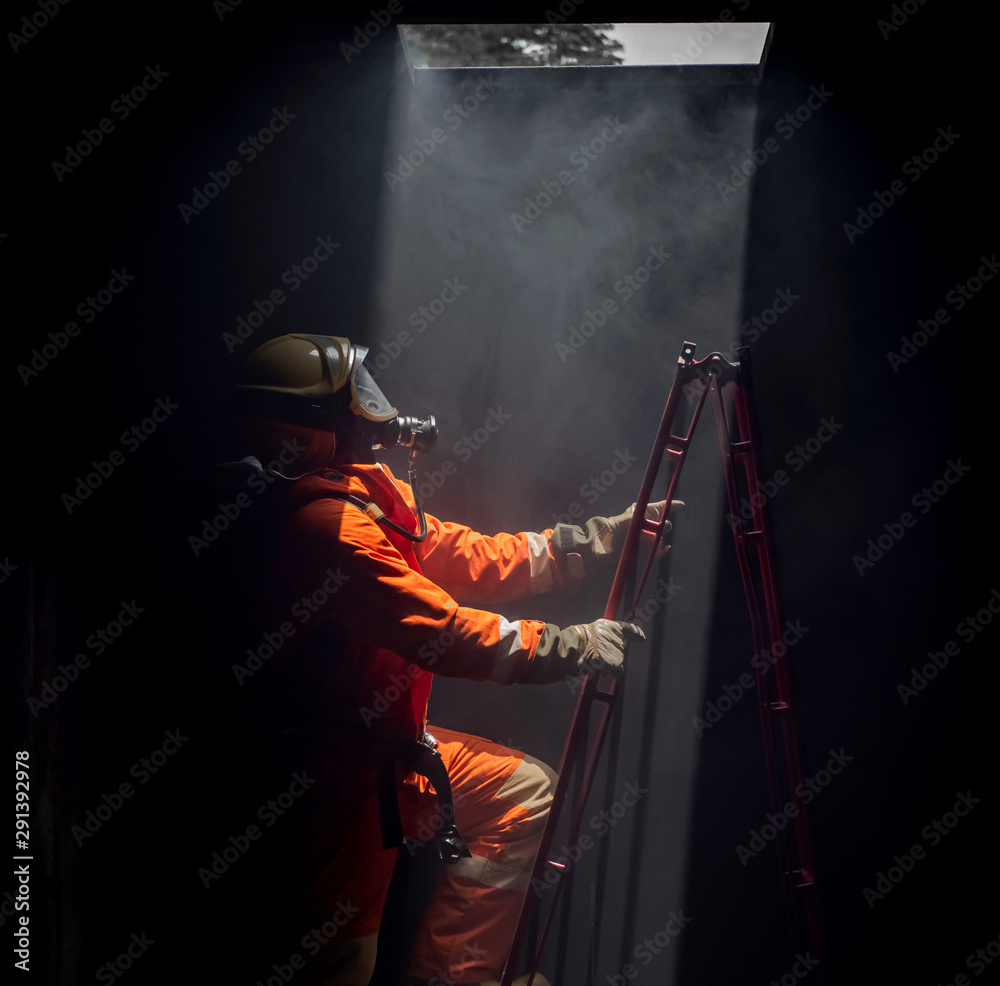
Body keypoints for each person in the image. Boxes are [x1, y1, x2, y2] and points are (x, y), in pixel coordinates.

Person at [228, 333, 678, 986]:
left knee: (522, 798)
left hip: (386, 747)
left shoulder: (352, 498)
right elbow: (445, 630)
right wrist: (569, 645)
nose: (371, 414)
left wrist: (591, 542)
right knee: (340, 961)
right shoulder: (325, 530)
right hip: (337, 785)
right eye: (353, 402)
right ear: (314, 428)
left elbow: (459, 551)